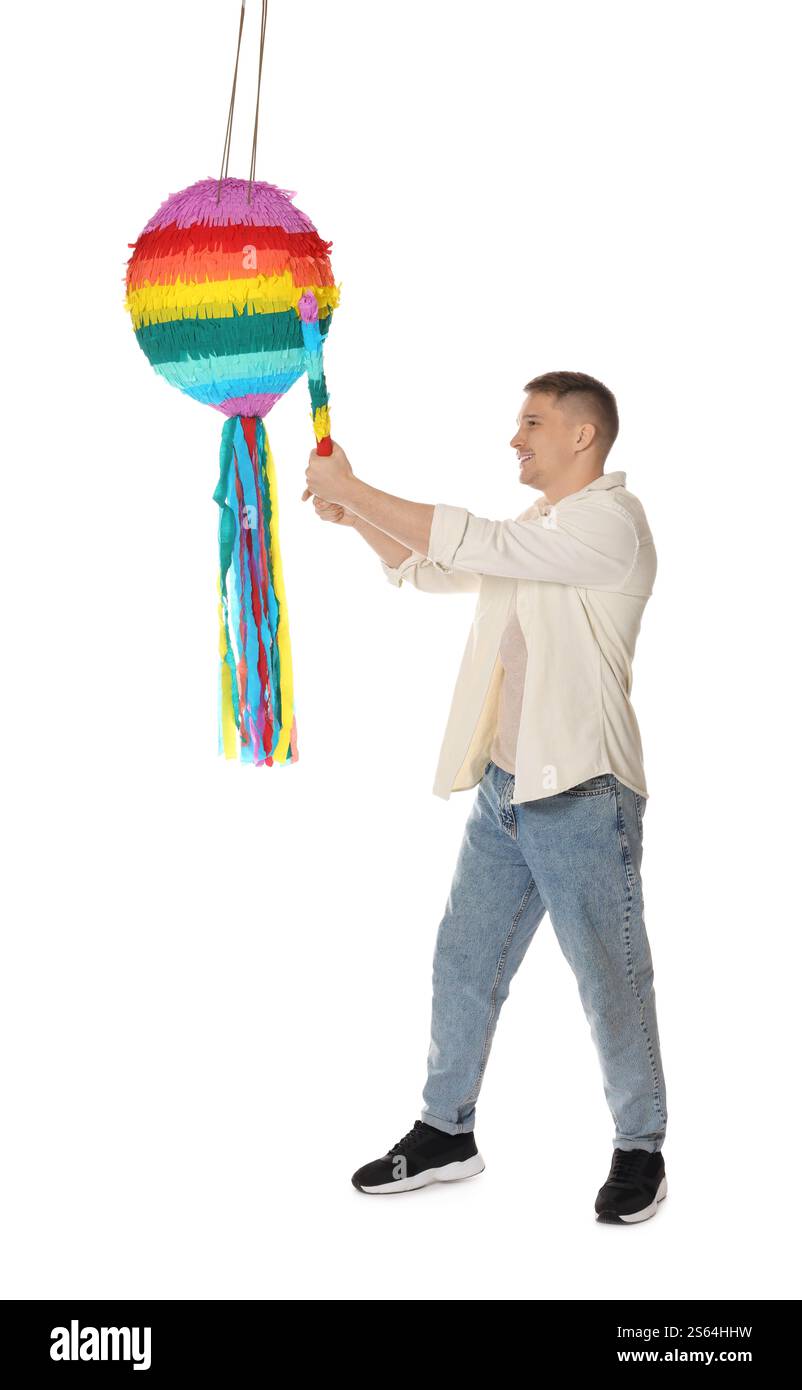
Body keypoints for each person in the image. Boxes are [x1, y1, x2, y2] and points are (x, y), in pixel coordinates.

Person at [303, 370, 668, 1224]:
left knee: (611, 980)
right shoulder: (540, 530)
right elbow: (436, 569)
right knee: (463, 962)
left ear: (583, 436)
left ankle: (641, 1148)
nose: (516, 438)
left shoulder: (612, 526)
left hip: (582, 795)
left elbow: (475, 545)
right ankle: (446, 1132)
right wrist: (355, 517)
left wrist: (354, 488)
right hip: (506, 792)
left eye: (532, 423)